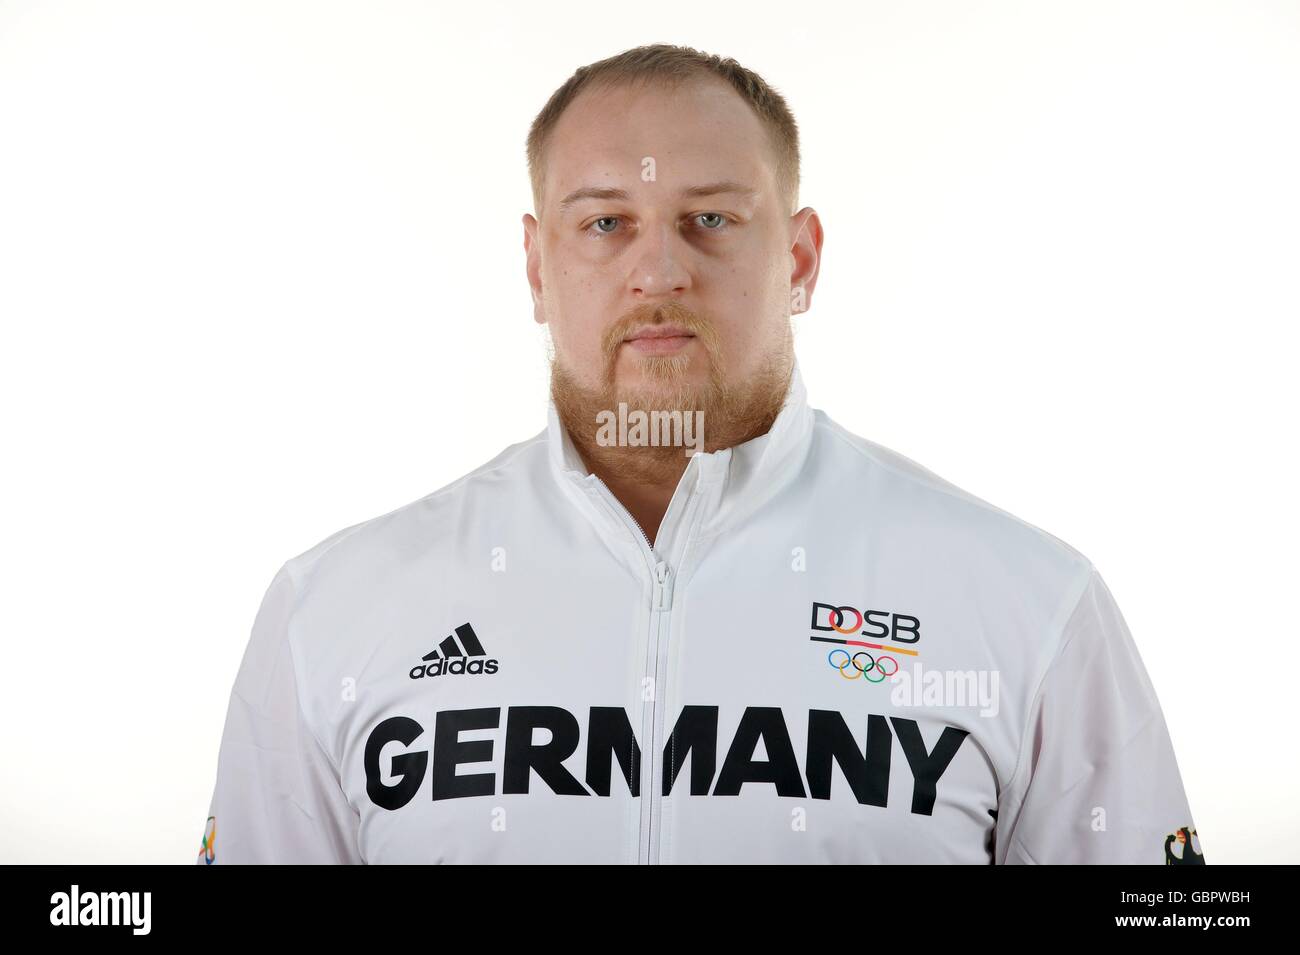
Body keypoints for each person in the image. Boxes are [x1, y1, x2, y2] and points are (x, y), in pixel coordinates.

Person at [196, 43, 1202, 864]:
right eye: (604, 224)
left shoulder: (1028, 602)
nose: (659, 269)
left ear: (799, 259)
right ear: (537, 268)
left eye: (710, 219)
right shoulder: (332, 610)